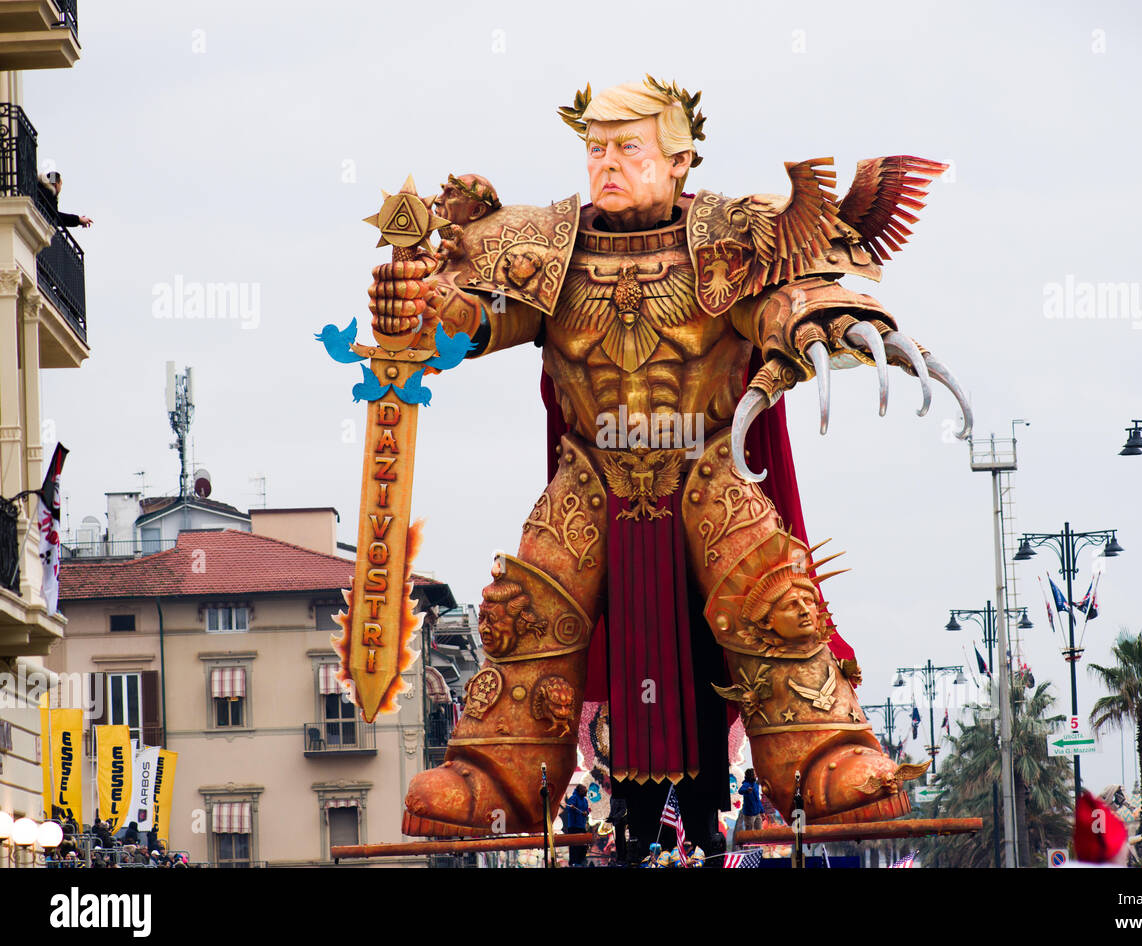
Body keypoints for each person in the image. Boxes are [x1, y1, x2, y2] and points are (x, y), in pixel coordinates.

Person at [381, 77, 967, 841]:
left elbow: (782, 299)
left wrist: (835, 317)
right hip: (591, 480)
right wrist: (419, 307)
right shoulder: (541, 244)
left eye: (628, 147)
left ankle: (826, 754)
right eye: (596, 149)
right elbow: (473, 323)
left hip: (709, 471)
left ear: (680, 158)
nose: (608, 164)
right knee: (528, 612)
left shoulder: (731, 237)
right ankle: (496, 771)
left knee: (771, 599)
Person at [562, 784, 590, 867]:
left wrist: (586, 813)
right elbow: (568, 808)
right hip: (574, 826)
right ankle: (574, 863)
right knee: (574, 847)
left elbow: (587, 810)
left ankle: (581, 861)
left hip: (582, 826)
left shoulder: (585, 800)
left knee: (583, 846)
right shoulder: (573, 798)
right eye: (584, 790)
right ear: (579, 790)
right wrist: (572, 807)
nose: (586, 792)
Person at [737, 769, 764, 835]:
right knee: (749, 833)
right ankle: (748, 845)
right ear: (751, 775)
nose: (756, 776)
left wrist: (762, 811)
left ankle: (758, 845)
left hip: (757, 813)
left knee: (759, 832)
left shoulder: (755, 785)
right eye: (754, 774)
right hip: (749, 814)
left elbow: (757, 799)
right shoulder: (746, 784)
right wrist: (747, 790)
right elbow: (740, 791)